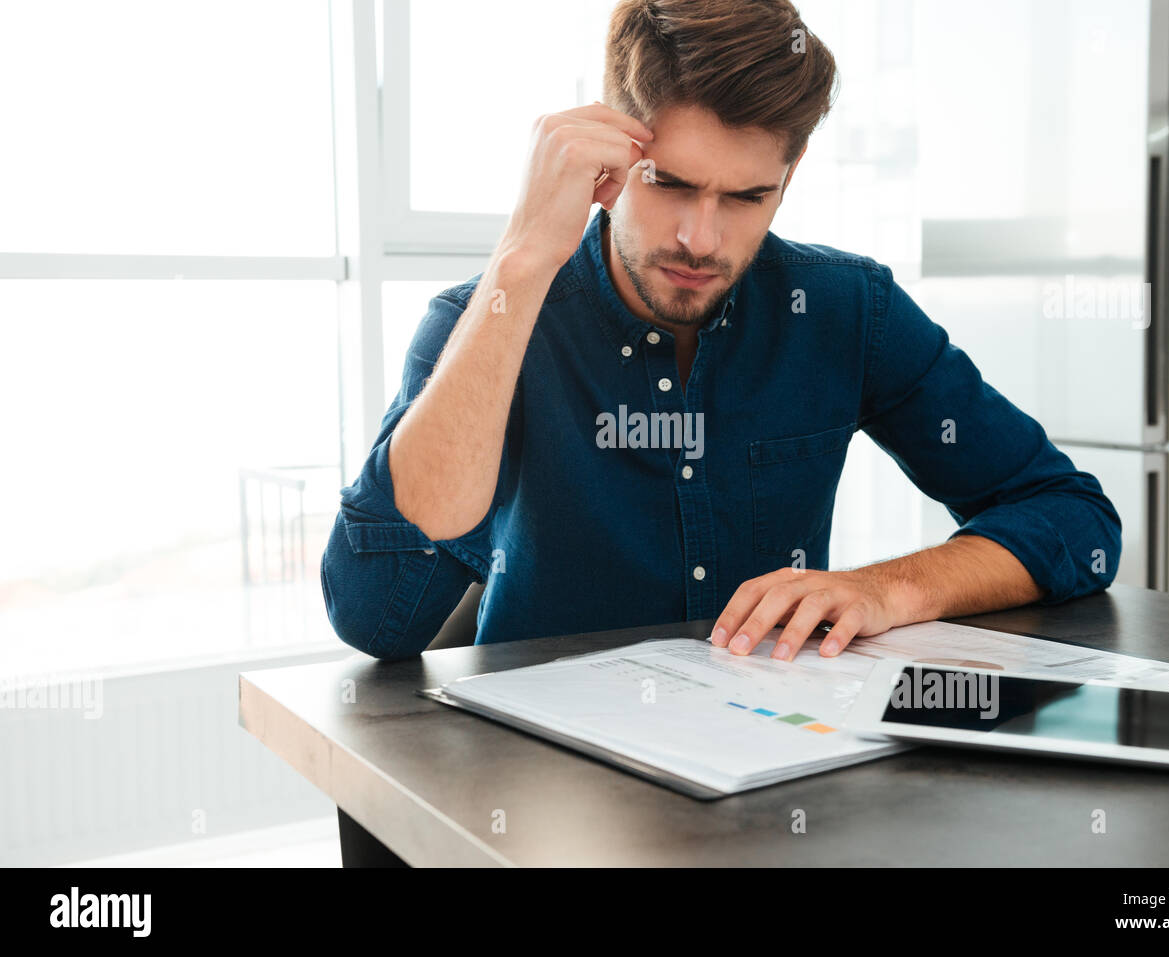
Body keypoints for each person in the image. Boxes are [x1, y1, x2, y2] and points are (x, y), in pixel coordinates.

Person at [321, 0, 1121, 662]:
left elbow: (1072, 516)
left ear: (791, 171)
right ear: (609, 148)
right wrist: (521, 265)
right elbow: (374, 618)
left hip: (772, 790)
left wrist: (885, 588)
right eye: (669, 183)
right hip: (546, 806)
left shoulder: (846, 310)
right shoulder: (489, 318)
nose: (701, 240)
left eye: (746, 197)